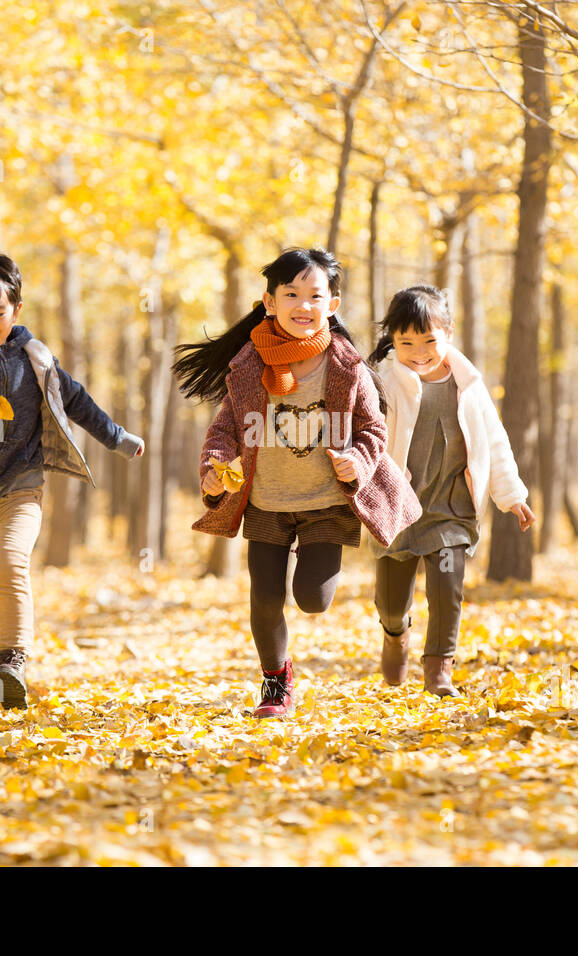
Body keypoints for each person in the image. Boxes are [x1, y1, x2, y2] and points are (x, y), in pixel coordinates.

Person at [173, 247, 420, 719]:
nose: (303, 305)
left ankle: (375, 611)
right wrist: (214, 464)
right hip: (265, 501)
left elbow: (372, 430)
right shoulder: (248, 365)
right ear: (269, 302)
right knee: (265, 598)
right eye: (291, 294)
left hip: (327, 502)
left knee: (312, 599)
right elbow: (226, 428)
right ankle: (275, 682)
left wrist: (359, 462)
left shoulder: (346, 368)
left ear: (332, 305)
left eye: (315, 295)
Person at [0, 253, 144, 707]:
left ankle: (13, 661)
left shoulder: (35, 358)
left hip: (21, 486)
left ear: (16, 310)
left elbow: (77, 402)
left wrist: (116, 437)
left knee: (10, 563)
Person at [368, 285, 534, 696]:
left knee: (447, 587)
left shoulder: (468, 384)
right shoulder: (383, 380)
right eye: (406, 342)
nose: (418, 352)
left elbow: (493, 440)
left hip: (451, 509)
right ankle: (395, 634)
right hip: (398, 510)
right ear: (392, 339)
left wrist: (512, 496)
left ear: (449, 334)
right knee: (392, 601)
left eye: (429, 341)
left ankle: (439, 668)